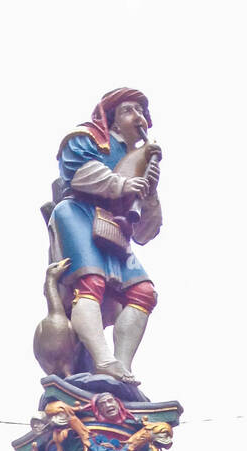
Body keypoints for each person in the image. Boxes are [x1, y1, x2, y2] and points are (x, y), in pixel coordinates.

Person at [48, 89, 162, 383]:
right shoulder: (85, 138)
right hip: (79, 212)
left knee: (143, 292)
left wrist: (149, 194)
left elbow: (146, 232)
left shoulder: (139, 159)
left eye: (141, 111)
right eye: (128, 110)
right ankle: (103, 359)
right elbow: (79, 173)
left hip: (116, 226)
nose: (138, 117)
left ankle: (120, 367)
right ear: (110, 118)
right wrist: (123, 184)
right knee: (91, 281)